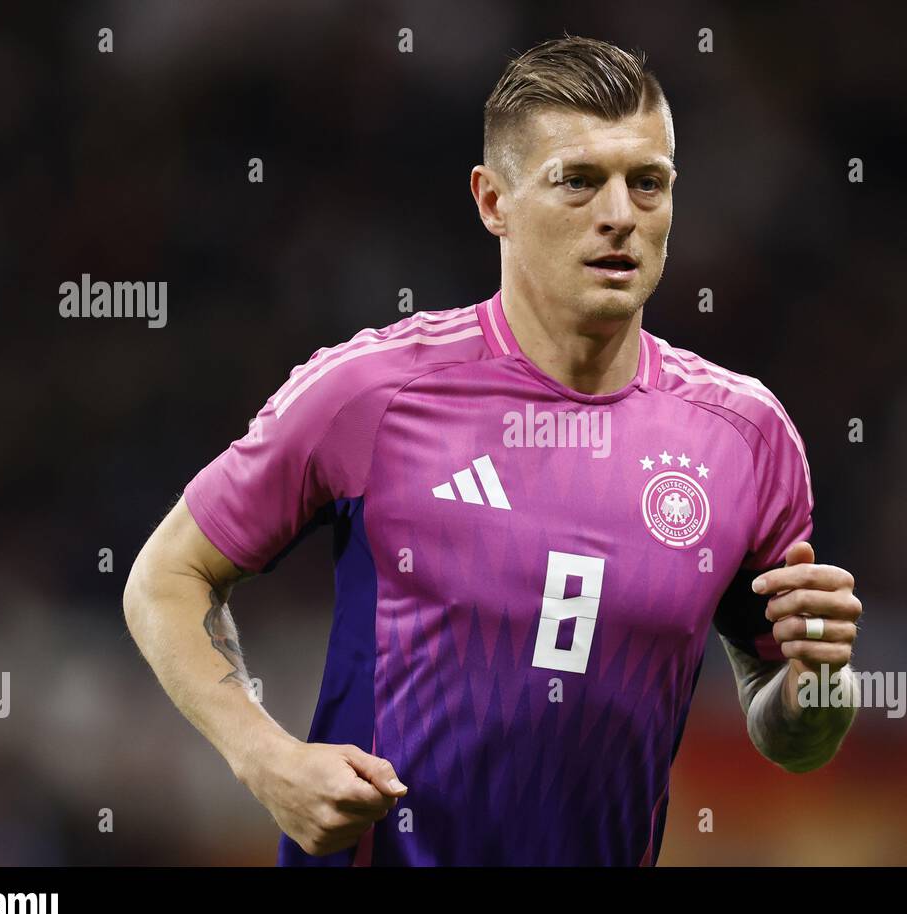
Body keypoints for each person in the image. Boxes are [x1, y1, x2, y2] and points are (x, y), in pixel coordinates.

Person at [123, 34, 863, 866]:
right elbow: (164, 578)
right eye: (578, 181)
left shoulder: (744, 437)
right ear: (493, 201)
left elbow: (793, 732)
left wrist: (823, 685)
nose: (620, 213)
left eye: (647, 183)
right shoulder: (371, 393)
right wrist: (268, 761)